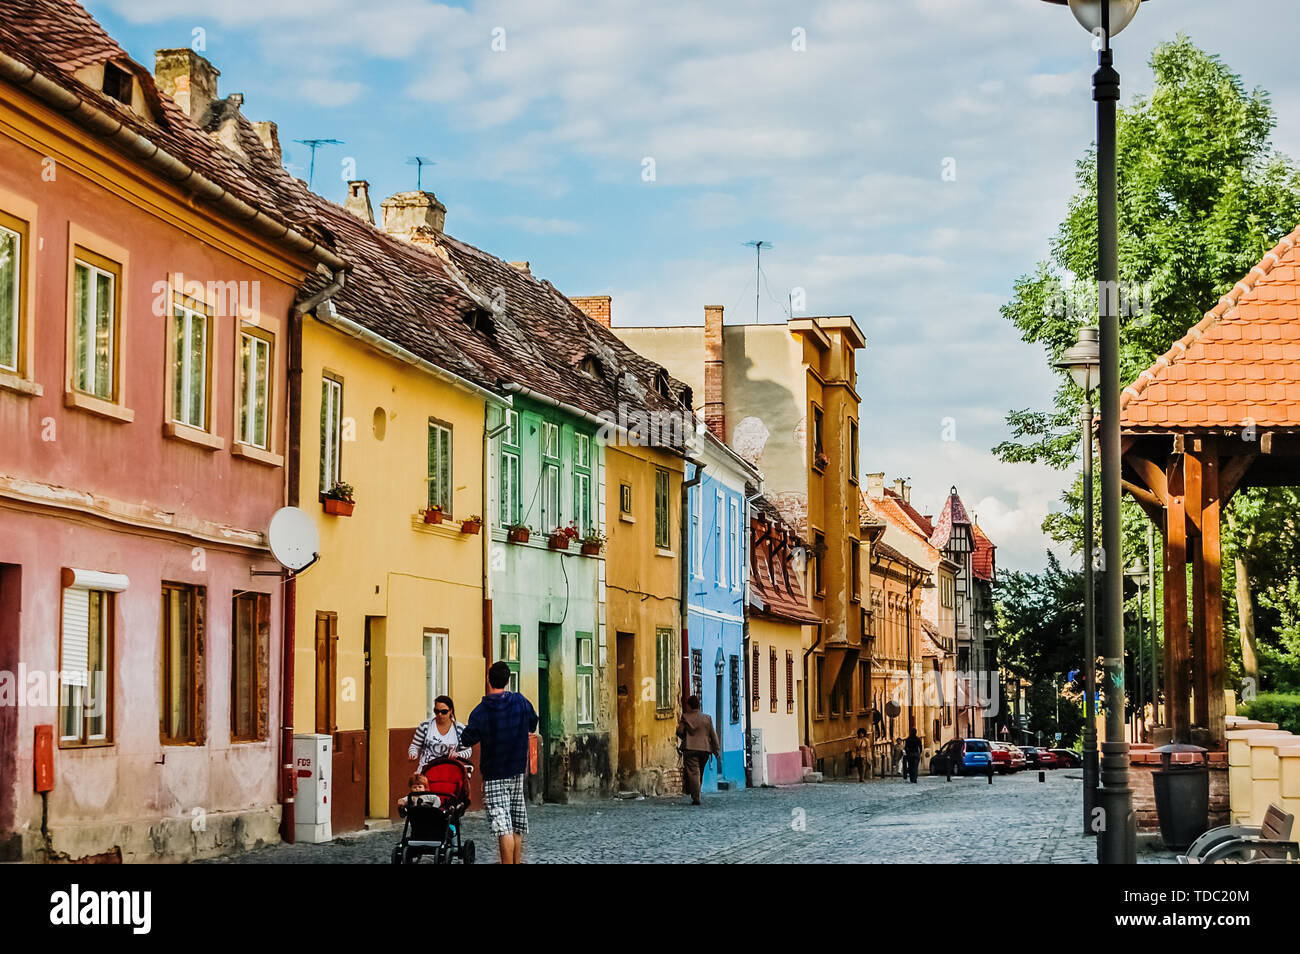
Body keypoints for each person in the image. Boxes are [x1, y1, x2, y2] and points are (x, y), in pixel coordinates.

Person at [459, 661, 538, 864]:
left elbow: (468, 738)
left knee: (503, 827)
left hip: (495, 774)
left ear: (488, 680)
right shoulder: (520, 701)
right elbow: (532, 723)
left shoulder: (483, 710)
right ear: (508, 680)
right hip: (517, 770)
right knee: (516, 824)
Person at [409, 694, 471, 774]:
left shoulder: (459, 729)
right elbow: (415, 745)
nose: (440, 715)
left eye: (444, 712)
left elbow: (468, 751)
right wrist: (413, 753)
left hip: (449, 772)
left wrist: (458, 754)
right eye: (437, 711)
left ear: (451, 710)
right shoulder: (426, 726)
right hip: (427, 770)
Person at [676, 695, 720, 806]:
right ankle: (696, 793)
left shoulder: (685, 717)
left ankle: (696, 797)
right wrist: (716, 750)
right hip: (705, 749)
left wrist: (686, 737)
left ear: (689, 706)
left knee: (693, 773)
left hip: (690, 748)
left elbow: (680, 731)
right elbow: (713, 736)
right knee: (699, 772)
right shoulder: (707, 718)